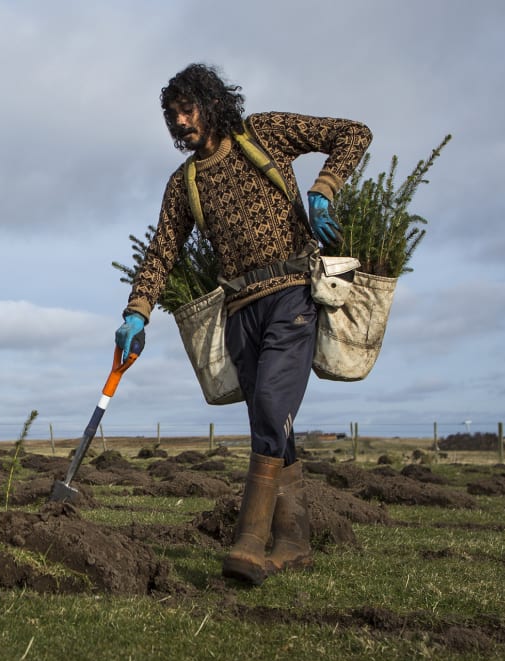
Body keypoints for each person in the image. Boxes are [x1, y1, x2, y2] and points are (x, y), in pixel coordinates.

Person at [117, 63, 371, 585]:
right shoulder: (184, 182)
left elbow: (353, 134)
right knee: (269, 418)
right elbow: (162, 251)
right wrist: (136, 313)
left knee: (273, 407)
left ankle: (251, 540)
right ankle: (295, 542)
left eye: (187, 111)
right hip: (239, 312)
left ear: (211, 104)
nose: (180, 123)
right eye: (171, 117)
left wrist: (324, 188)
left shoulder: (265, 132)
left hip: (292, 294)